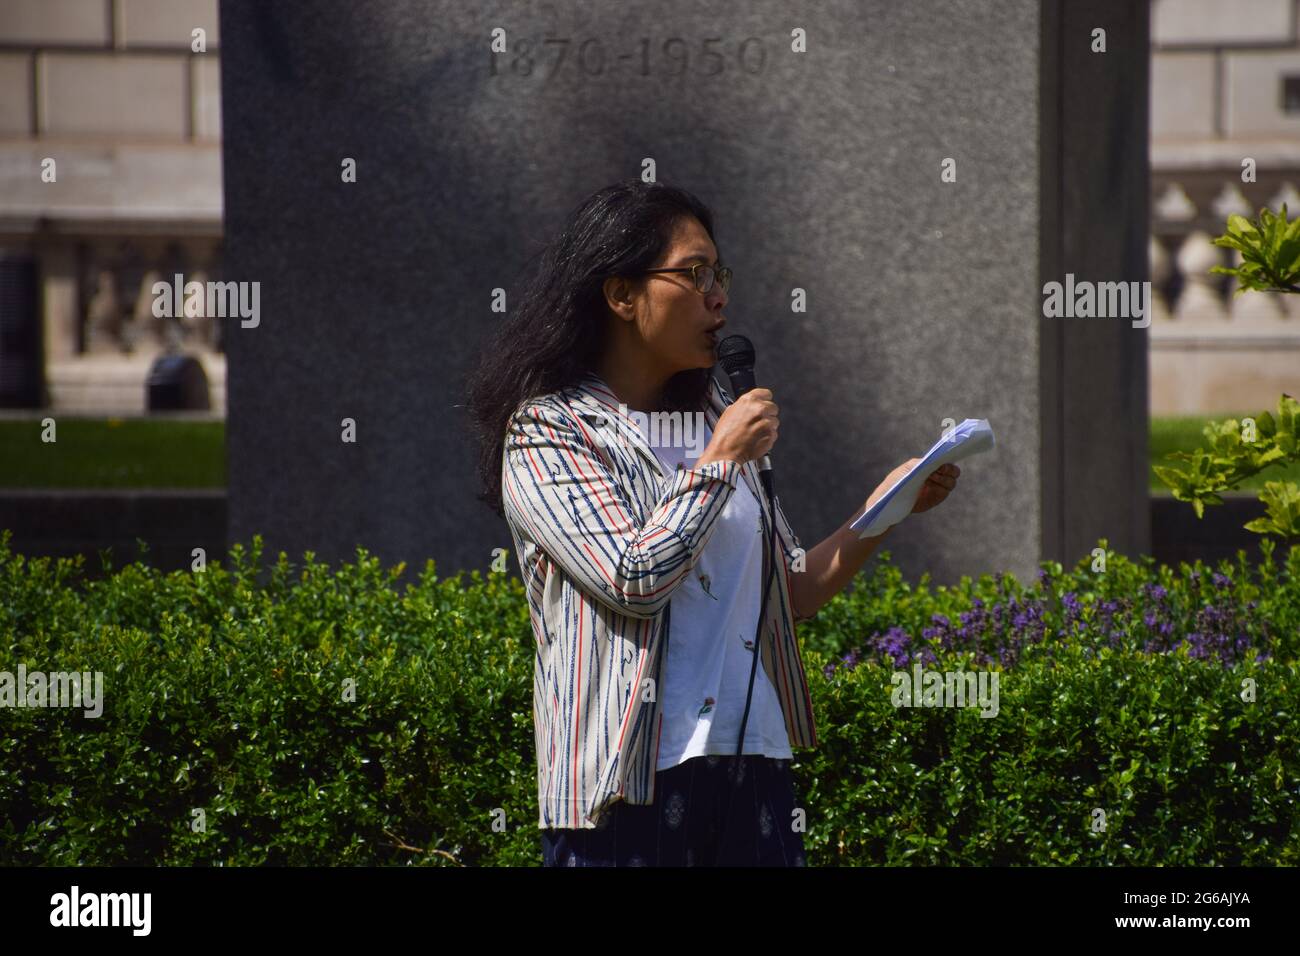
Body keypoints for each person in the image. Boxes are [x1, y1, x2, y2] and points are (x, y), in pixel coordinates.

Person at [467, 179, 959, 866]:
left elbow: (787, 593)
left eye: (719, 274)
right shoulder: (552, 430)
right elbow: (633, 576)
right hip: (627, 782)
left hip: (751, 761)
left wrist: (882, 510)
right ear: (621, 294)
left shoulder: (710, 417)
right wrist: (723, 457)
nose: (718, 296)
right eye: (694, 275)